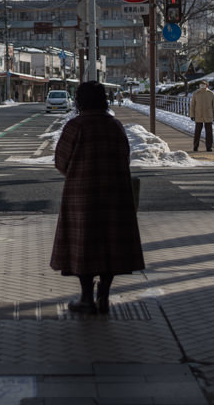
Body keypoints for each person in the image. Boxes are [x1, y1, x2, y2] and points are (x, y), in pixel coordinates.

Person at [51, 81, 145, 314]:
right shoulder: (115, 126)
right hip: (115, 194)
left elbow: (61, 161)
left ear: (80, 101)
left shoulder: (75, 126)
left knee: (84, 244)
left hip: (81, 194)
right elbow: (125, 157)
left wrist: (76, 173)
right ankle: (103, 295)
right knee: (110, 245)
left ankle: (86, 297)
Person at [189, 80, 214, 152]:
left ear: (207, 85)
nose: (202, 86)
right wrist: (192, 115)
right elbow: (192, 105)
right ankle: (195, 146)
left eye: (204, 85)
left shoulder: (211, 94)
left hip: (208, 115)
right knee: (197, 132)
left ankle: (209, 147)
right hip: (198, 115)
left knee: (209, 132)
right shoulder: (196, 93)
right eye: (201, 85)